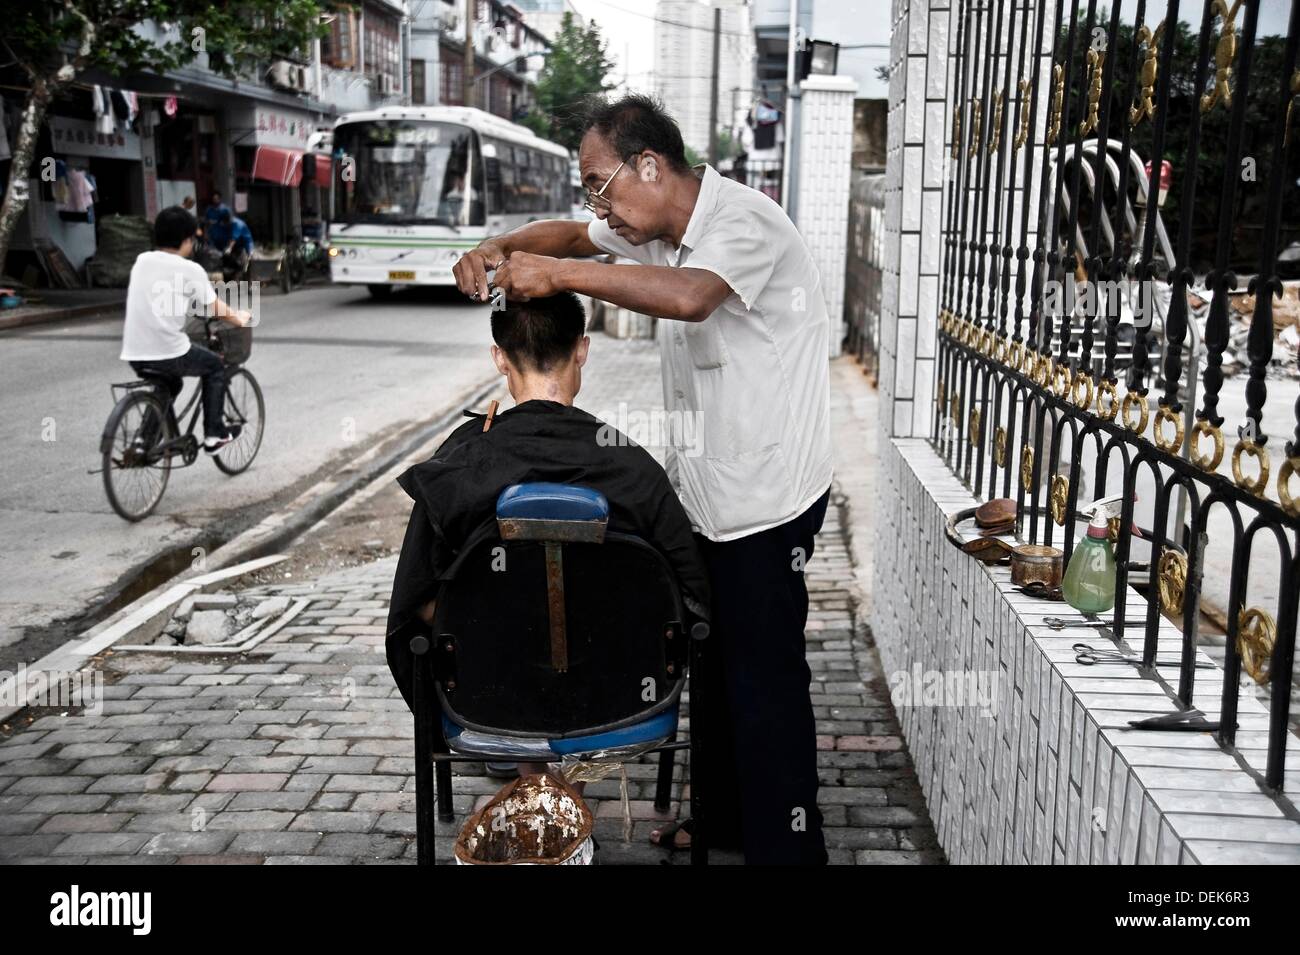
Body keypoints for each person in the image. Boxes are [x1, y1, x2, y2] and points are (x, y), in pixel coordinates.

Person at [452, 93, 833, 865]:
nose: (597, 205)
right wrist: (498, 246)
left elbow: (692, 299)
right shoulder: (655, 227)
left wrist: (561, 275)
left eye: (601, 183)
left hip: (769, 497)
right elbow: (567, 232)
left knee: (765, 688)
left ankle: (791, 851)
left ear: (650, 165)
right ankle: (723, 822)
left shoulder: (743, 222)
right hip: (707, 494)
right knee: (718, 675)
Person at [386, 291, 709, 715]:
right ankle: (569, 764)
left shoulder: (457, 468)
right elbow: (693, 598)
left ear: (500, 358)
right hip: (619, 697)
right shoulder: (633, 468)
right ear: (582, 349)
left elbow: (411, 608)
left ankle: (529, 770)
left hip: (489, 699)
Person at [120, 206, 252, 453]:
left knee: (170, 385)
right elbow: (216, 309)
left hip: (134, 353)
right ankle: (215, 434)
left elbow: (162, 294)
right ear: (186, 240)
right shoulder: (190, 270)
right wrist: (240, 318)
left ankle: (143, 443)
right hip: (168, 353)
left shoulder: (142, 261)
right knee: (214, 367)